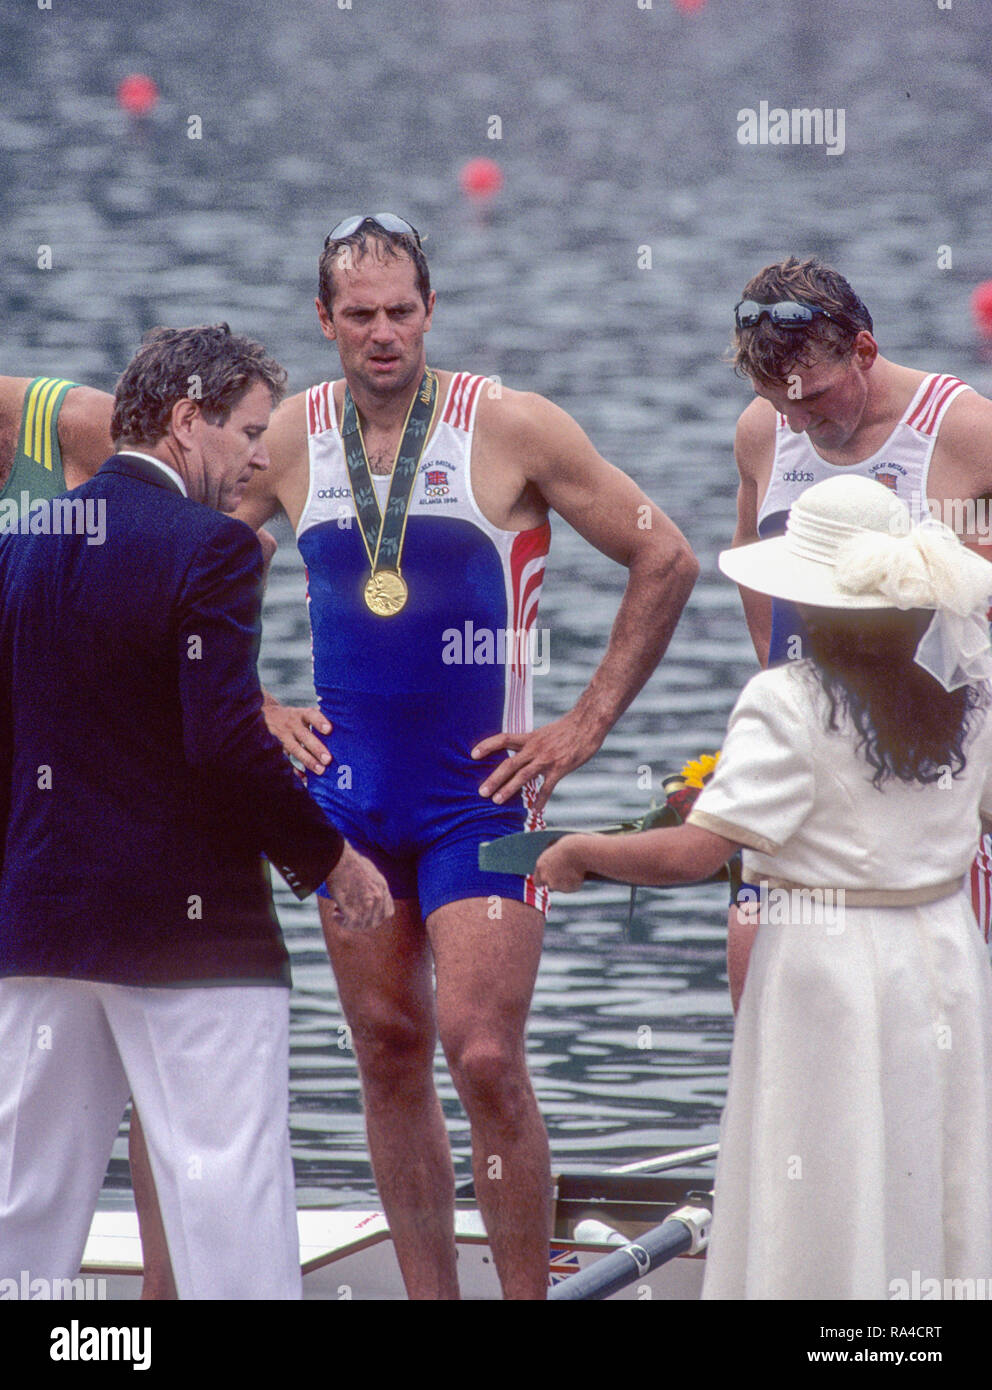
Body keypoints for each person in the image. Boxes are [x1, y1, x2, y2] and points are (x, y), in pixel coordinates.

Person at [215, 213, 699, 1300]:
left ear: (429, 310)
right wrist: (252, 702)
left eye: (400, 312)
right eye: (359, 316)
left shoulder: (512, 427)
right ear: (324, 320)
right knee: (387, 1051)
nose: (382, 333)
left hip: (483, 798)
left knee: (480, 1050)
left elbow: (662, 554)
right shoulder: (288, 436)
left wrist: (580, 728)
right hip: (346, 799)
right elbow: (190, 571)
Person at [0, 324, 392, 1300]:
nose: (261, 455)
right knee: (227, 1196)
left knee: (25, 1207)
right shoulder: (213, 549)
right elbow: (221, 740)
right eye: (249, 431)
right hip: (190, 933)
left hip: (37, 921)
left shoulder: (21, 543)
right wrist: (327, 860)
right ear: (186, 422)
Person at [535, 474, 992, 1299]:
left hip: (831, 962)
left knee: (822, 1175)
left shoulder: (786, 700)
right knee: (929, 1166)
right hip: (947, 960)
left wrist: (581, 850)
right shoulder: (971, 700)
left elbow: (698, 854)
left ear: (812, 604)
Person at [727, 254, 992, 1008]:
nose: (800, 423)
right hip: (808, 764)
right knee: (762, 989)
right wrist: (775, 708)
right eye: (782, 405)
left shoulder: (966, 429)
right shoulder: (762, 431)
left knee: (926, 1013)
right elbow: (754, 562)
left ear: (864, 352)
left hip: (931, 769)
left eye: (813, 398)